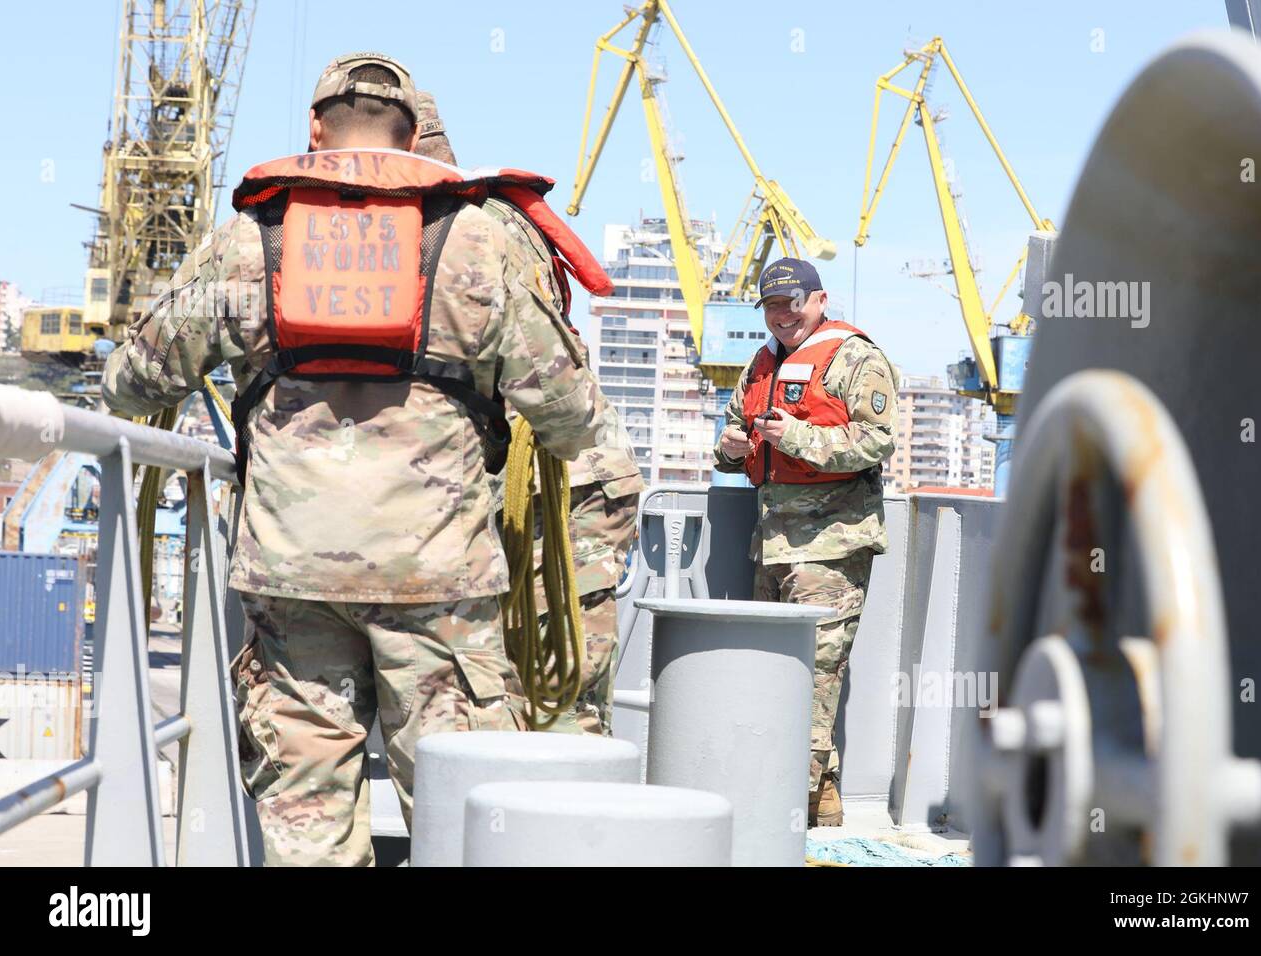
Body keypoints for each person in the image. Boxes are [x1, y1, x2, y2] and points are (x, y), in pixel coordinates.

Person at [102, 53, 612, 865]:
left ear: (314, 129)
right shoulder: (474, 240)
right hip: (439, 578)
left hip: (290, 576)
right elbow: (573, 417)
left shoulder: (252, 238)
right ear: (414, 138)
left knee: (307, 825)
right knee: (464, 816)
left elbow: (134, 381)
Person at [414, 92, 644, 735]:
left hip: (563, 475)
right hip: (531, 471)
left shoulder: (478, 228)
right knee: (510, 682)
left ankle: (571, 827)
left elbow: (542, 381)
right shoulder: (450, 225)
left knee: (552, 690)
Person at [713, 258, 899, 828]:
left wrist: (790, 434)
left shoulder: (856, 358)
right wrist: (730, 446)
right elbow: (730, 440)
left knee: (815, 677)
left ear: (819, 300)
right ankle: (822, 802)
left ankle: (787, 810)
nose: (783, 315)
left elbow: (876, 442)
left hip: (831, 548)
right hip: (770, 545)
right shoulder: (761, 362)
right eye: (771, 306)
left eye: (793, 303)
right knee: (772, 676)